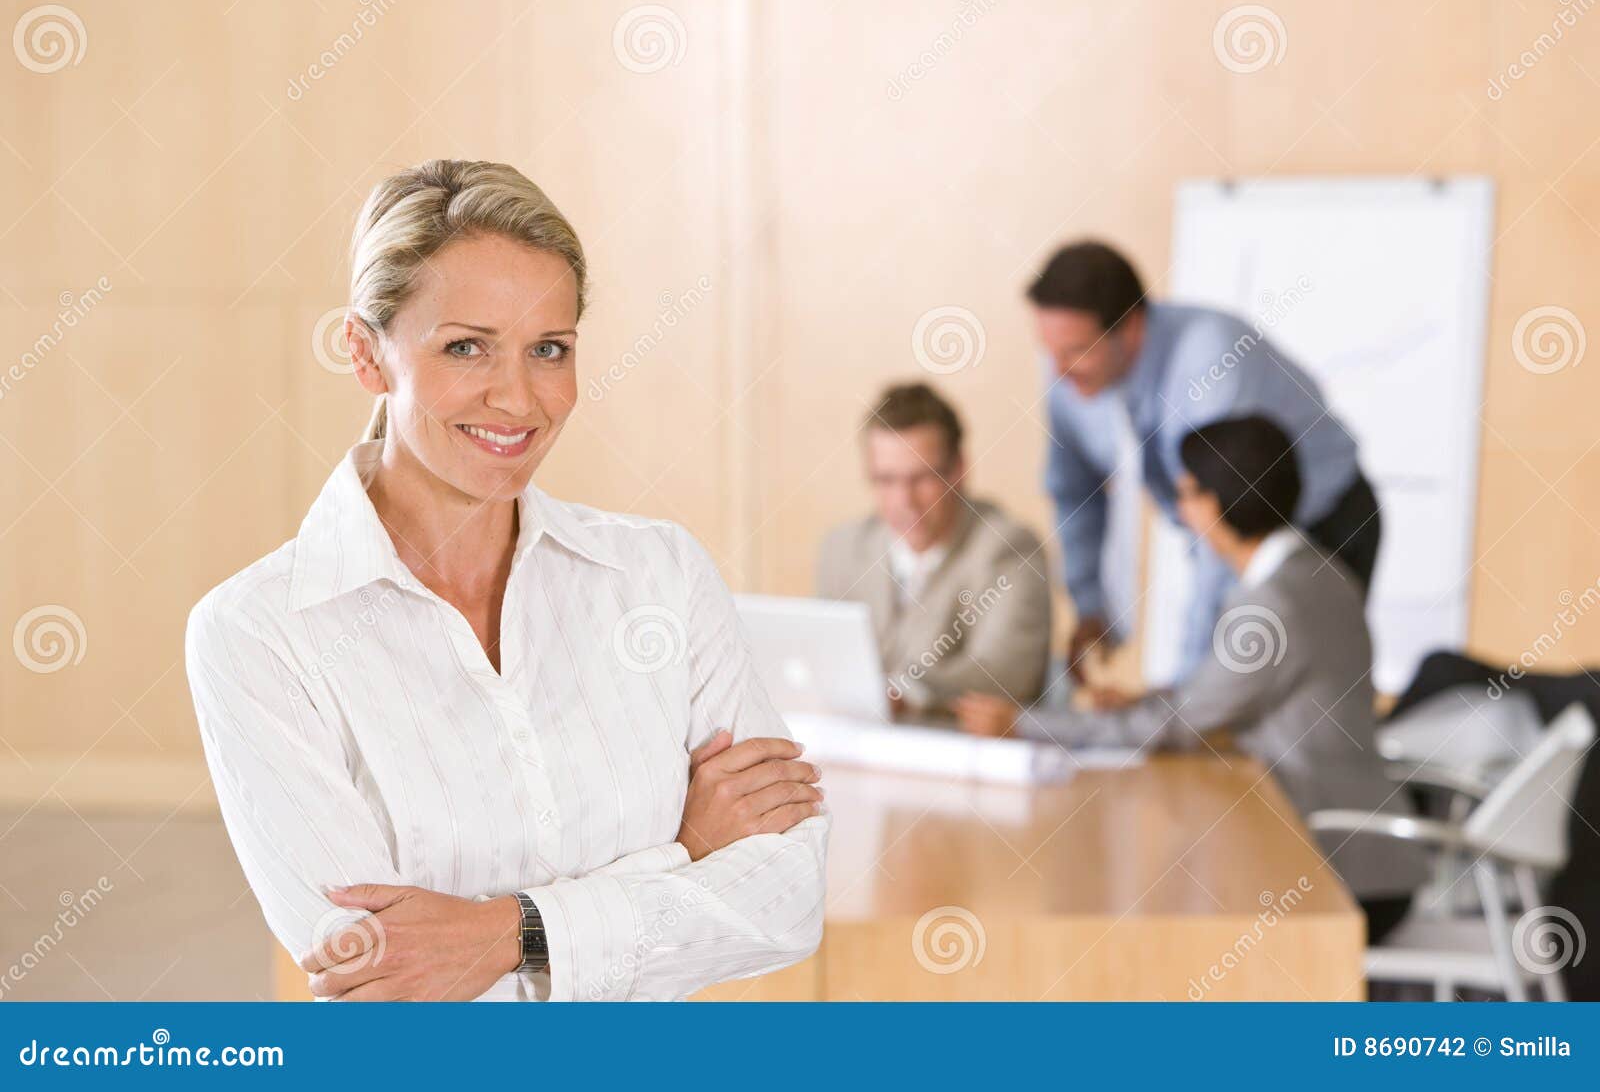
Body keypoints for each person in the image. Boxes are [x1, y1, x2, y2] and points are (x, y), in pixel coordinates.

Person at [184, 160, 828, 1002]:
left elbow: (787, 900)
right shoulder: (258, 633)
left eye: (548, 350)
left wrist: (501, 934)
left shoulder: (659, 574)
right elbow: (378, 979)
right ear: (366, 354)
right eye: (466, 347)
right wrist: (685, 852)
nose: (519, 399)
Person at [956, 415, 1424, 942]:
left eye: (1186, 494)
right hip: (1366, 858)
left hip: (1336, 875)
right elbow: (1229, 695)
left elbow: (1177, 727)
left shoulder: (1271, 605)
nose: (1179, 511)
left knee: (1157, 905)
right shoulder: (1319, 572)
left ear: (1220, 502)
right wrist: (1146, 700)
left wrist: (1023, 725)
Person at [1028, 240, 1380, 684]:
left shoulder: (1209, 363)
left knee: (1279, 693)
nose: (1058, 369)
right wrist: (1090, 606)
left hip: (1324, 523)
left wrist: (1186, 693)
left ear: (1130, 329)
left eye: (1077, 350)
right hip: (1228, 534)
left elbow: (1224, 526)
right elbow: (1074, 492)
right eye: (1050, 350)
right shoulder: (1069, 375)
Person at [816, 383, 1052, 722]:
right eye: (886, 480)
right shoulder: (843, 549)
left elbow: (1005, 675)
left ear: (958, 470)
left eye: (921, 478)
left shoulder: (1010, 549)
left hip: (960, 747)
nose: (905, 501)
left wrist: (904, 691)